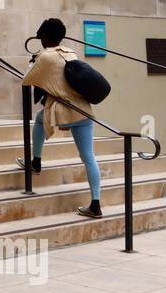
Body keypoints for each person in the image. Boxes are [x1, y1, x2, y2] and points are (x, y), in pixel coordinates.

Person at [17, 18, 103, 217]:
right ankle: (96, 204)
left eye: (41, 37)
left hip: (63, 111)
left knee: (40, 119)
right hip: (84, 111)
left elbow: (26, 80)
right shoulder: (70, 52)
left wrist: (32, 62)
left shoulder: (45, 57)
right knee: (88, 157)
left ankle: (36, 161)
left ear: (45, 38)